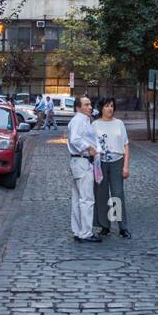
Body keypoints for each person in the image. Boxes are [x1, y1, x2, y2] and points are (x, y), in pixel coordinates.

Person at [91, 97, 131, 239]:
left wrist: (126, 166)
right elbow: (91, 145)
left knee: (117, 194)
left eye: (112, 106)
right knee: (101, 195)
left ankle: (122, 227)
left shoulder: (119, 124)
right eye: (107, 106)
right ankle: (104, 226)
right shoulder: (94, 125)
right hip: (100, 163)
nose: (110, 109)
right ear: (101, 108)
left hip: (117, 161)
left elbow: (126, 146)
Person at [67, 95, 102, 243]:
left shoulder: (84, 120)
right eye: (86, 105)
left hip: (80, 161)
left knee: (78, 198)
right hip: (82, 161)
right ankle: (85, 233)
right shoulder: (78, 120)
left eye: (90, 104)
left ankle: (78, 230)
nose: (90, 107)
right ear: (78, 108)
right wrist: (89, 148)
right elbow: (75, 139)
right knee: (86, 199)